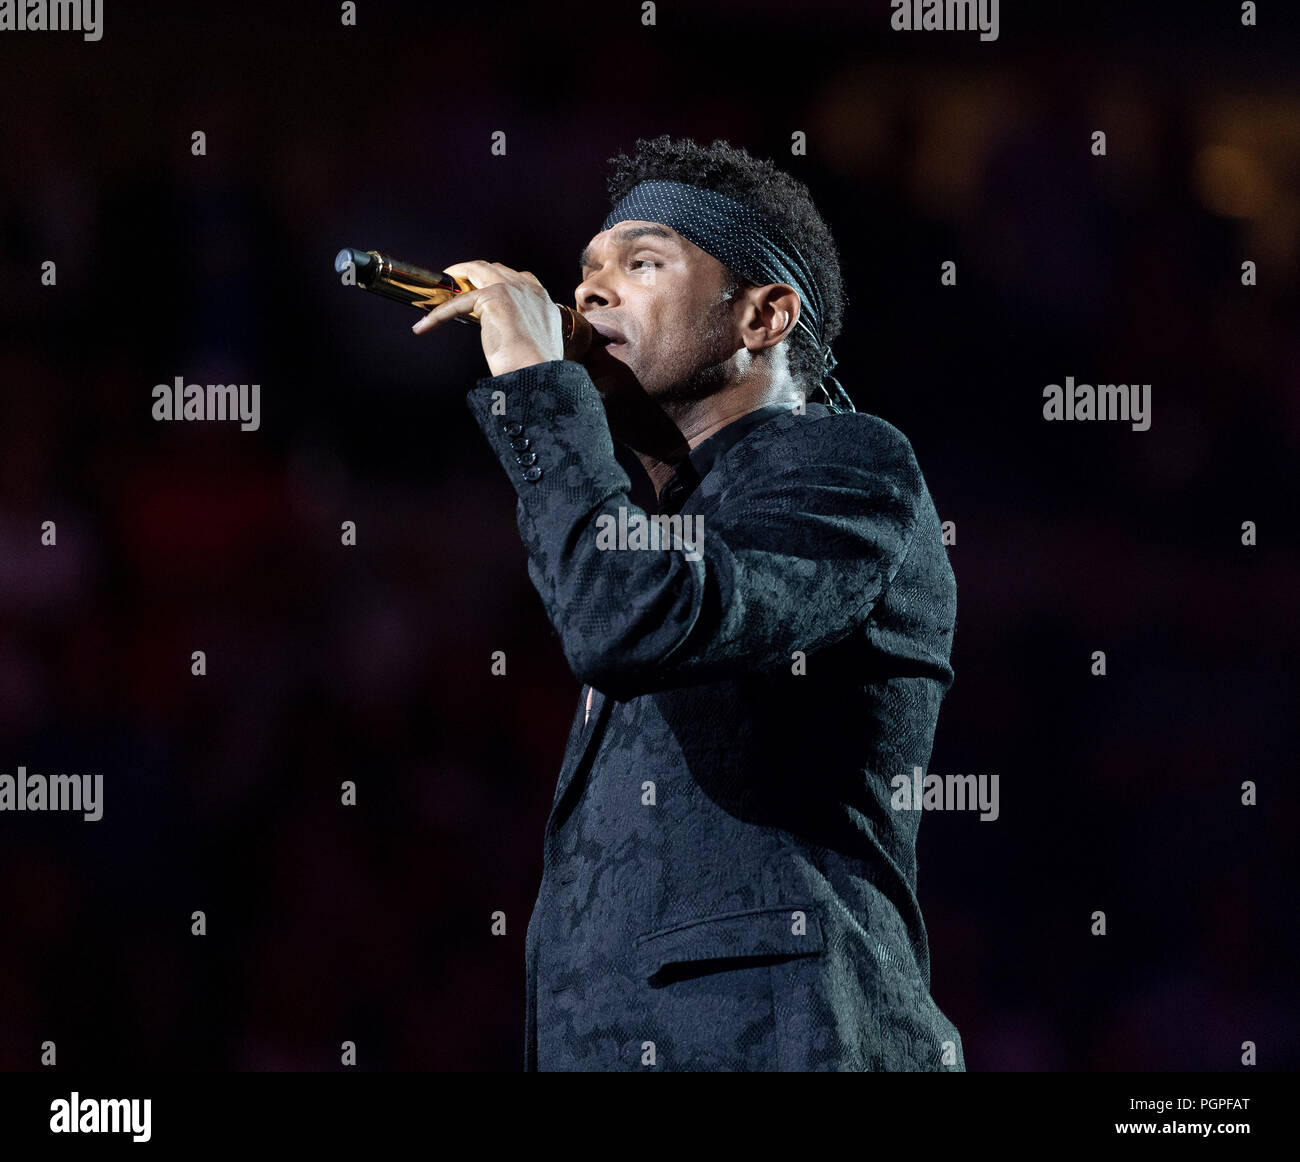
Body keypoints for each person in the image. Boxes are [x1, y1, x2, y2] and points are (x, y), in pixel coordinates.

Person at [413, 135, 965, 1071]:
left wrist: (540, 393)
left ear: (762, 315)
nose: (587, 294)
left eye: (642, 263)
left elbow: (625, 619)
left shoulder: (847, 463)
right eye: (585, 271)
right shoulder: (660, 512)